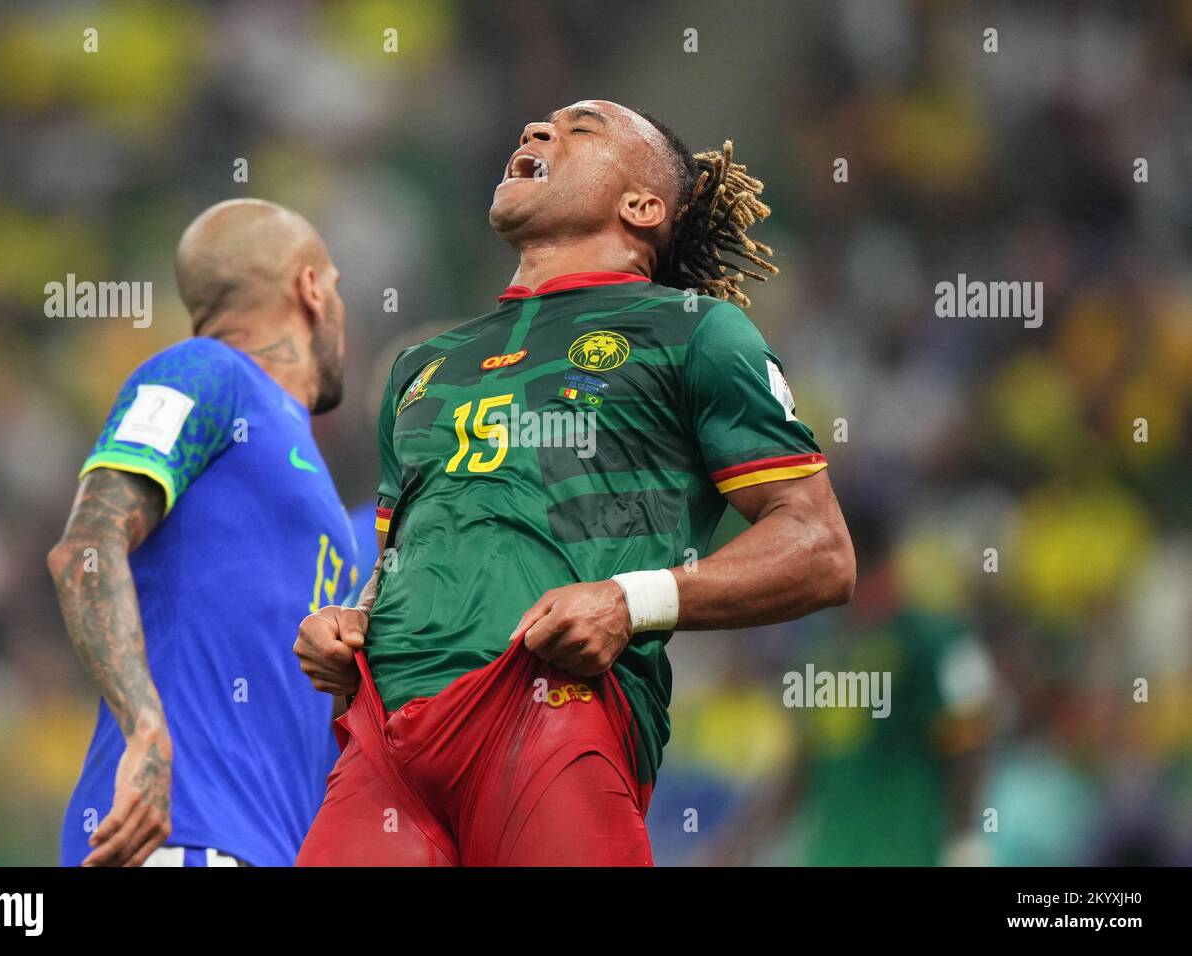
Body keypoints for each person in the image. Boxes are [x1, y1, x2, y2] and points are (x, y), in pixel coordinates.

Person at [294, 101, 854, 866]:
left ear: (642, 205)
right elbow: (406, 560)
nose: (533, 130)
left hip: (552, 707)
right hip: (385, 737)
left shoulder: (696, 332)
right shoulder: (421, 367)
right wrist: (352, 622)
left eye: (580, 128)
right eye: (536, 124)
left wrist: (632, 602)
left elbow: (820, 548)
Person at [49, 199, 358, 866]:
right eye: (336, 286)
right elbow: (87, 544)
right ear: (309, 286)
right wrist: (147, 728)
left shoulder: (298, 471)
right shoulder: (204, 372)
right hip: (182, 839)